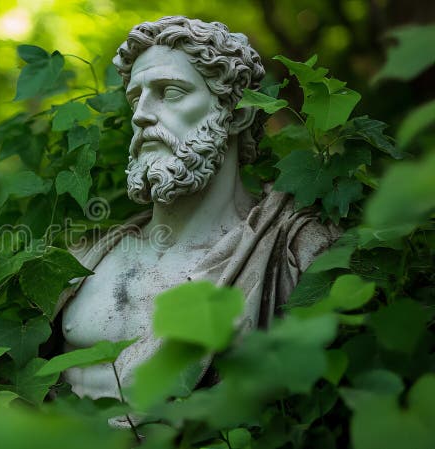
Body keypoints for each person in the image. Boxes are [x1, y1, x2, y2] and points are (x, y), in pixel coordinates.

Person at [55, 16, 339, 402]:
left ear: (237, 113)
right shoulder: (87, 258)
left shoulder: (296, 254)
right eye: (136, 97)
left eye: (170, 92)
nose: (141, 114)